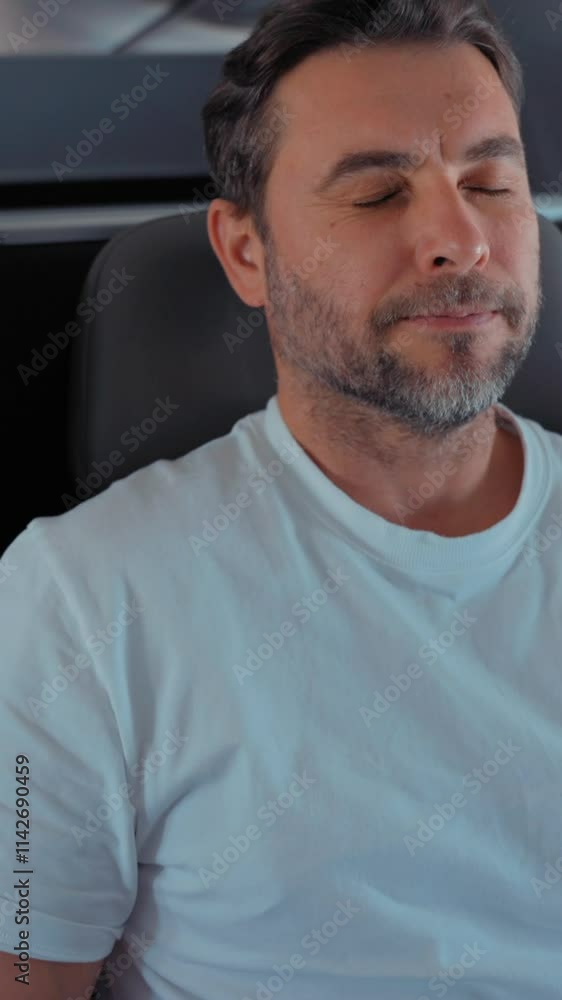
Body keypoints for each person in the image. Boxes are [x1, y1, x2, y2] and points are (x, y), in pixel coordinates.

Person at [1, 1, 561, 997]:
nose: (459, 238)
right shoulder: (82, 597)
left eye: (490, 182)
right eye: (380, 192)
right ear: (247, 253)